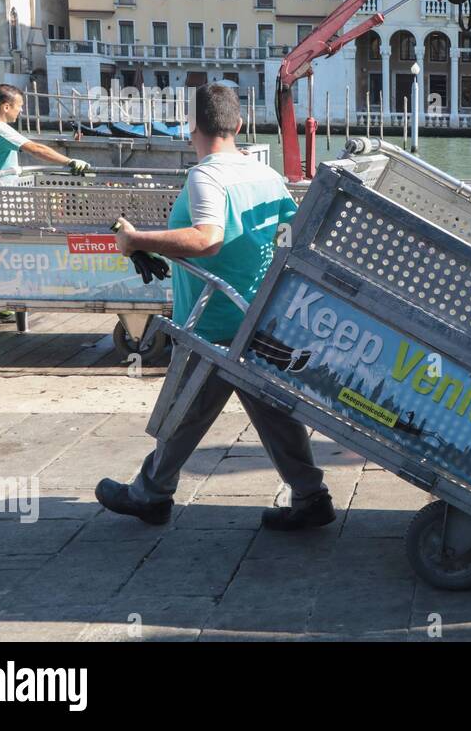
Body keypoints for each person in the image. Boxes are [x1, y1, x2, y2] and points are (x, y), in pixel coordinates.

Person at [95, 83, 332, 529]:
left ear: (193, 128)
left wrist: (136, 240)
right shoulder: (263, 173)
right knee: (271, 412)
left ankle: (152, 494)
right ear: (239, 125)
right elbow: (289, 235)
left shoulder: (207, 175)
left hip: (213, 321)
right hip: (258, 316)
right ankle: (310, 494)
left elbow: (207, 237)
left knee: (184, 408)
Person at [0, 83, 91, 326]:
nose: (20, 112)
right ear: (6, 106)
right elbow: (35, 148)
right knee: (1, 252)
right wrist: (69, 162)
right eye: (18, 107)